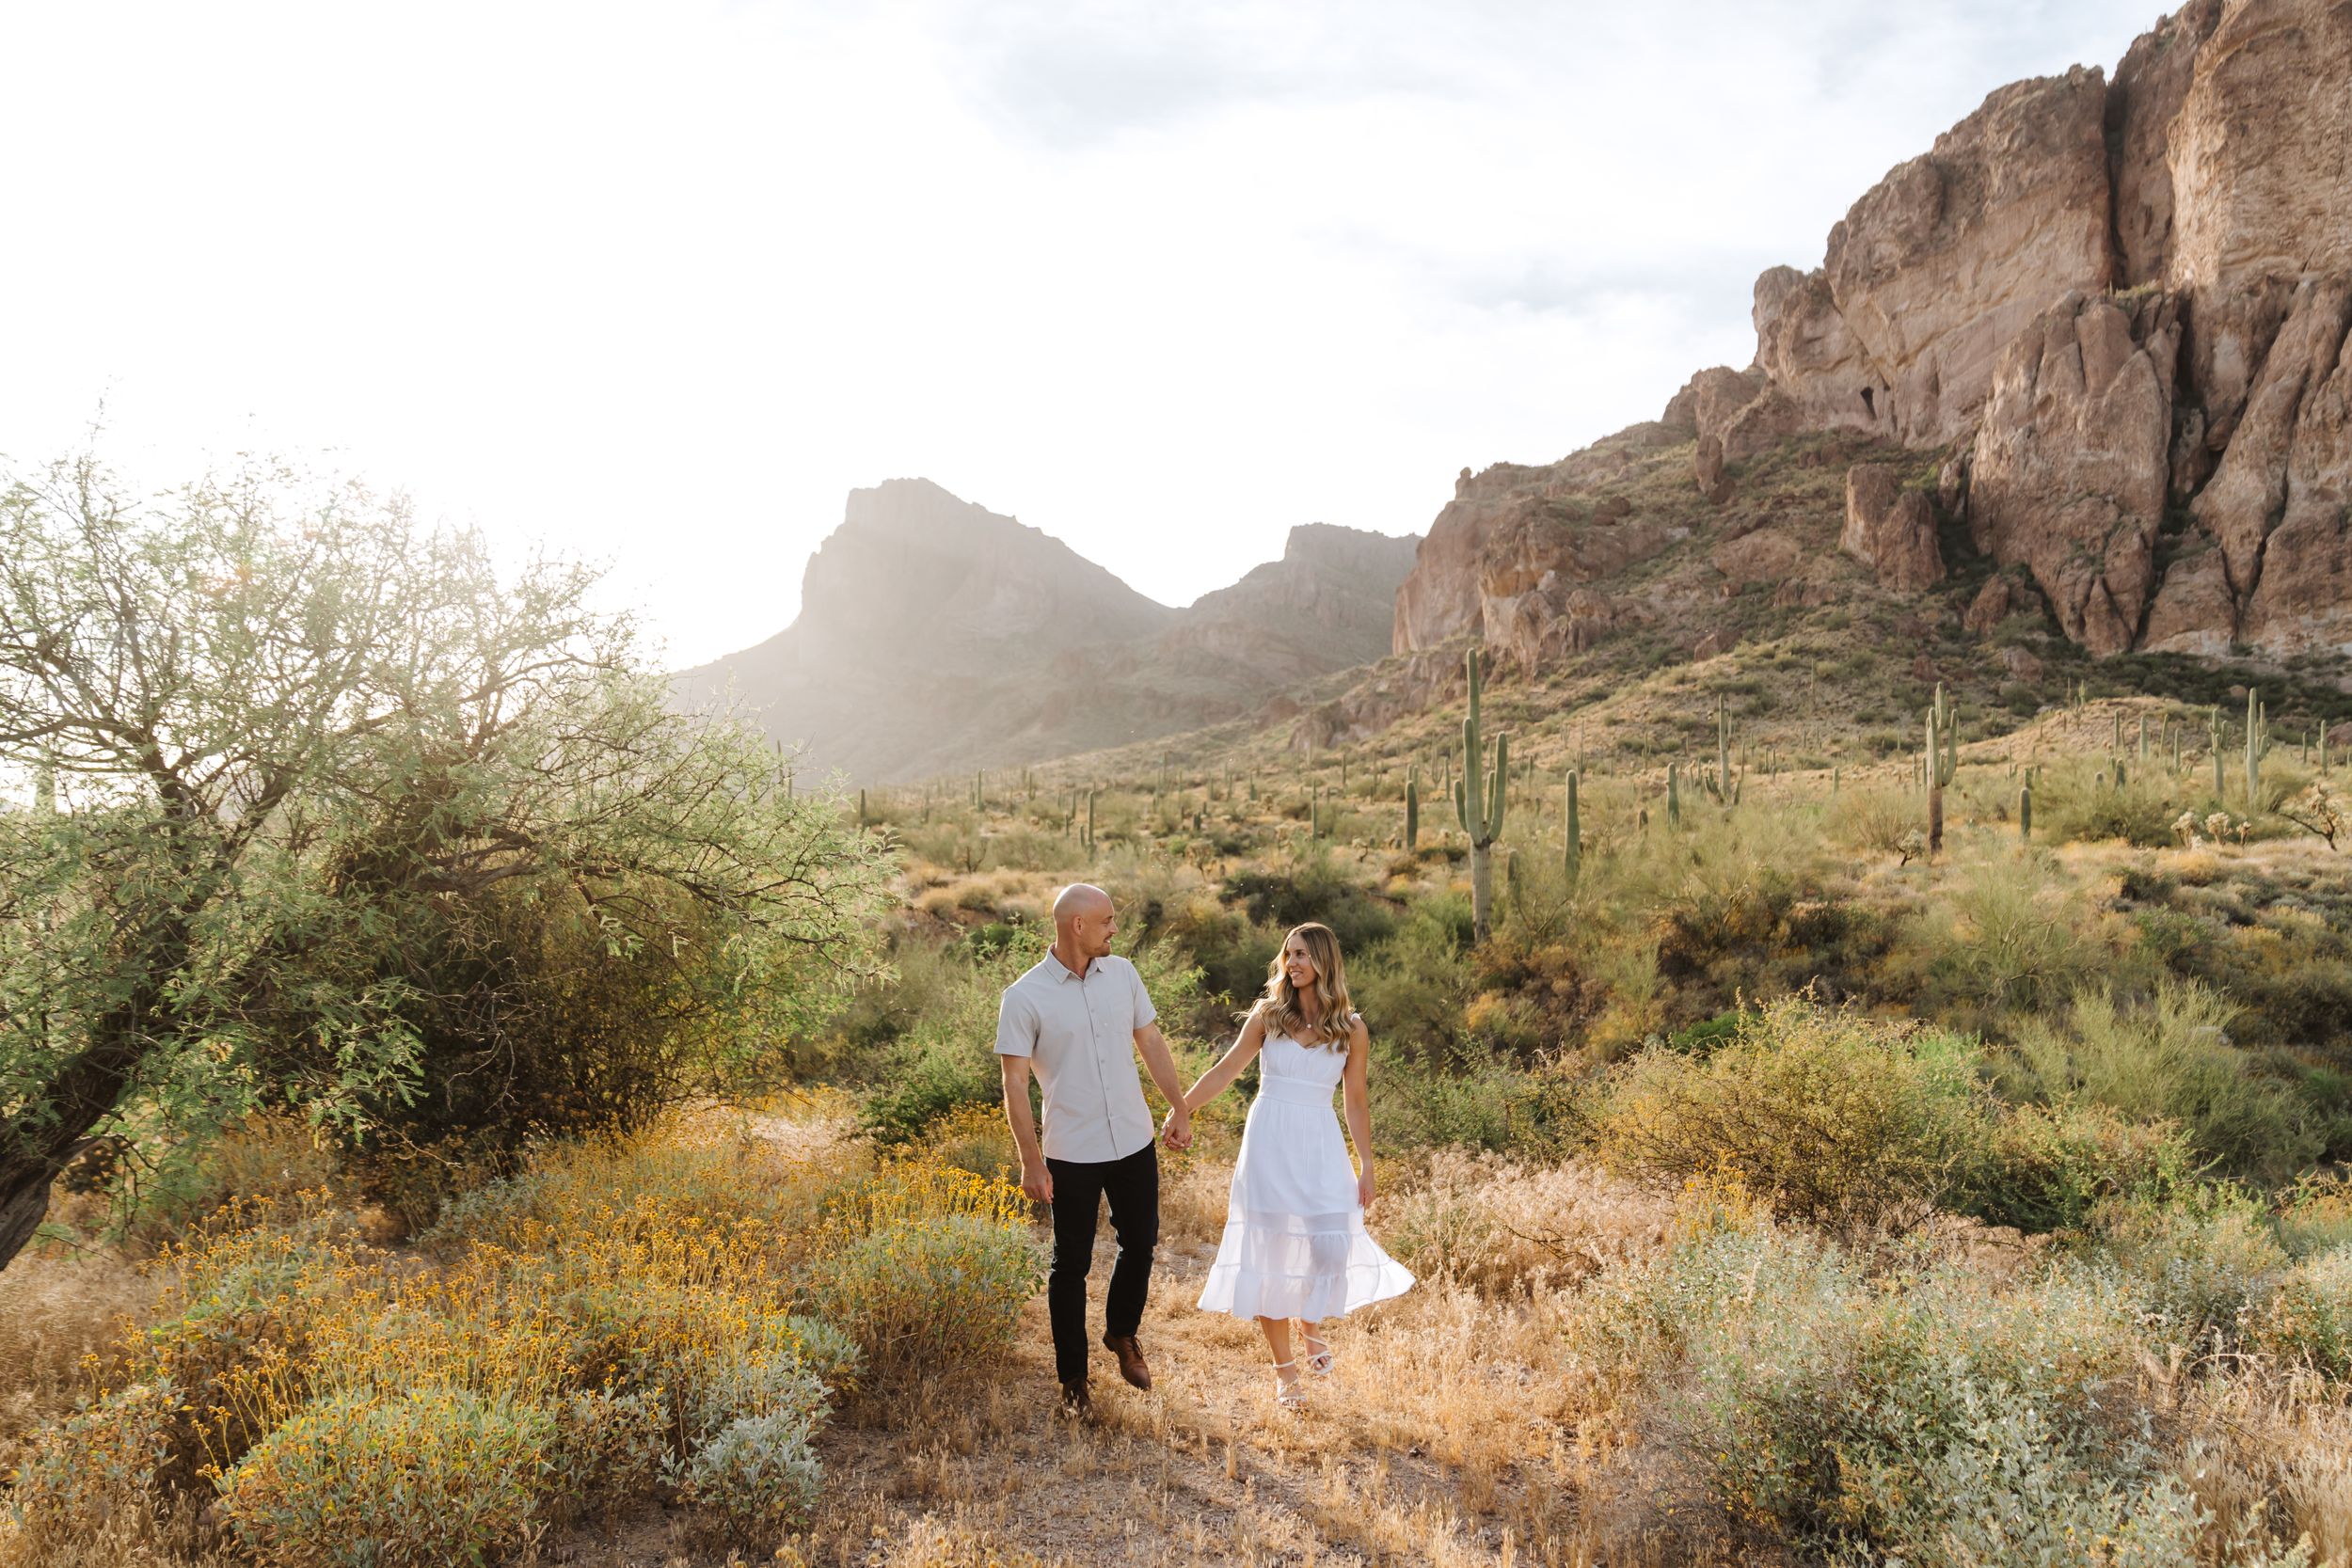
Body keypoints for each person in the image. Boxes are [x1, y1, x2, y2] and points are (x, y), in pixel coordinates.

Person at [1175, 921, 1413, 1410]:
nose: (1293, 963)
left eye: (1303, 954)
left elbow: (1356, 1101)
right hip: (1269, 1141)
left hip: (1320, 1142)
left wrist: (1366, 1163)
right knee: (1270, 1254)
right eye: (1289, 954)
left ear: (1324, 961)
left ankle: (1311, 1324)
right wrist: (1183, 1109)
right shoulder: (1268, 1016)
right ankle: (1287, 1374)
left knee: (1329, 1247)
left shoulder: (1351, 1028)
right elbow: (1225, 1070)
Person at [996, 883, 1193, 1416]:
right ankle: (1074, 1382)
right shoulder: (1024, 996)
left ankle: (1122, 1333)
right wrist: (1030, 1160)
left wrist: (1179, 1106)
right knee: (1070, 1265)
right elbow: (1014, 1084)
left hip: (1133, 1138)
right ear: (1076, 925)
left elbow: (1150, 1041)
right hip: (1071, 1150)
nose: (1115, 929)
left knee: (1142, 1242)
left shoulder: (1124, 975)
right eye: (1107, 920)